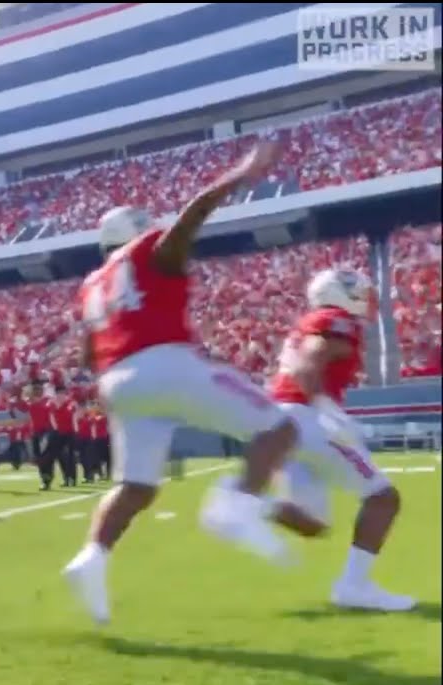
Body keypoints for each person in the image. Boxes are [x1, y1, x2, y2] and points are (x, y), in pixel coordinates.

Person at [63, 142, 299, 625]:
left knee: (137, 487)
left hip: (118, 382)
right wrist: (240, 175)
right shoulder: (147, 251)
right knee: (281, 428)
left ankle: (92, 557)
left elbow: (88, 353)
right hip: (164, 363)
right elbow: (193, 215)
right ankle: (236, 506)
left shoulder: (90, 285)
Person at [266, 269, 414, 611]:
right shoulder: (335, 319)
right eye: (351, 287)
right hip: (306, 417)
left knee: (312, 523)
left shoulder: (314, 320)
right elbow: (309, 363)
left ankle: (251, 503)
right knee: (383, 498)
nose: (360, 293)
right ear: (334, 292)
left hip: (283, 419)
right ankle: (353, 586)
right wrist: (326, 408)